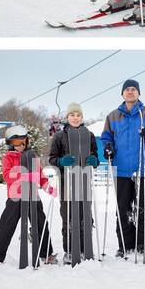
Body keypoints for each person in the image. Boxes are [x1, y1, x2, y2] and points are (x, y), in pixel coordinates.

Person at [100, 84, 145, 258]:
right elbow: (106, 137)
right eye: (127, 89)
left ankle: (141, 243)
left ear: (139, 93)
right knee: (122, 208)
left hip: (142, 169)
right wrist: (108, 147)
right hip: (121, 170)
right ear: (122, 94)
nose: (130, 91)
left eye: (134, 89)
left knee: (142, 207)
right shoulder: (113, 116)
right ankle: (124, 245)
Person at [0, 125, 57, 266]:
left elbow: (40, 175)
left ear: (27, 141)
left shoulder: (32, 156)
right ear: (10, 144)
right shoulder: (8, 157)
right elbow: (7, 176)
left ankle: (46, 254)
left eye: (22, 141)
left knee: (41, 223)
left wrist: (47, 187)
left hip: (32, 196)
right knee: (7, 225)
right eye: (15, 143)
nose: (19, 145)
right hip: (15, 197)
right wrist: (24, 174)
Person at [46, 104, 100, 261]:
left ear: (82, 117)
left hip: (84, 180)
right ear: (67, 117)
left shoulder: (88, 135)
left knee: (85, 216)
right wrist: (61, 161)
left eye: (78, 115)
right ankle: (69, 250)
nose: (75, 117)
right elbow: (52, 158)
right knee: (69, 215)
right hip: (66, 181)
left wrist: (94, 160)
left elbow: (95, 155)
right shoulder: (59, 136)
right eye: (72, 115)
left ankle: (85, 248)